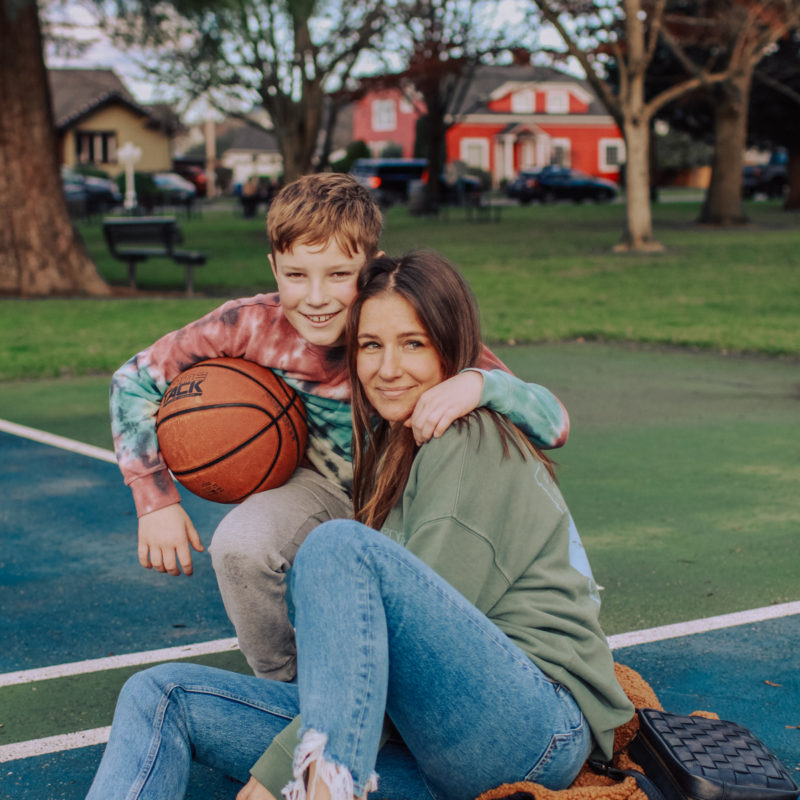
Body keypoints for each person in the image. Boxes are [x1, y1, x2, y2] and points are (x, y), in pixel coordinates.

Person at [88, 252, 632, 800]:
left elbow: (396, 651)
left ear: (452, 347)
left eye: (413, 343)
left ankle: (321, 785)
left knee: (339, 546)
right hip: (433, 739)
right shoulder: (397, 444)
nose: (388, 368)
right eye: (371, 345)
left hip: (530, 731)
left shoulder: (468, 442)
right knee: (159, 694)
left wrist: (283, 770)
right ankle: (326, 770)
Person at [110, 173, 571, 681]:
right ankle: (284, 685)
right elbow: (134, 380)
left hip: (411, 500)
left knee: (421, 613)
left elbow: (553, 422)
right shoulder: (248, 326)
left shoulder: (402, 324)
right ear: (273, 268)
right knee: (239, 546)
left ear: (371, 267)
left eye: (337, 274)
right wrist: (155, 501)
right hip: (320, 487)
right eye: (296, 275)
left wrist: (480, 384)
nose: (315, 297)